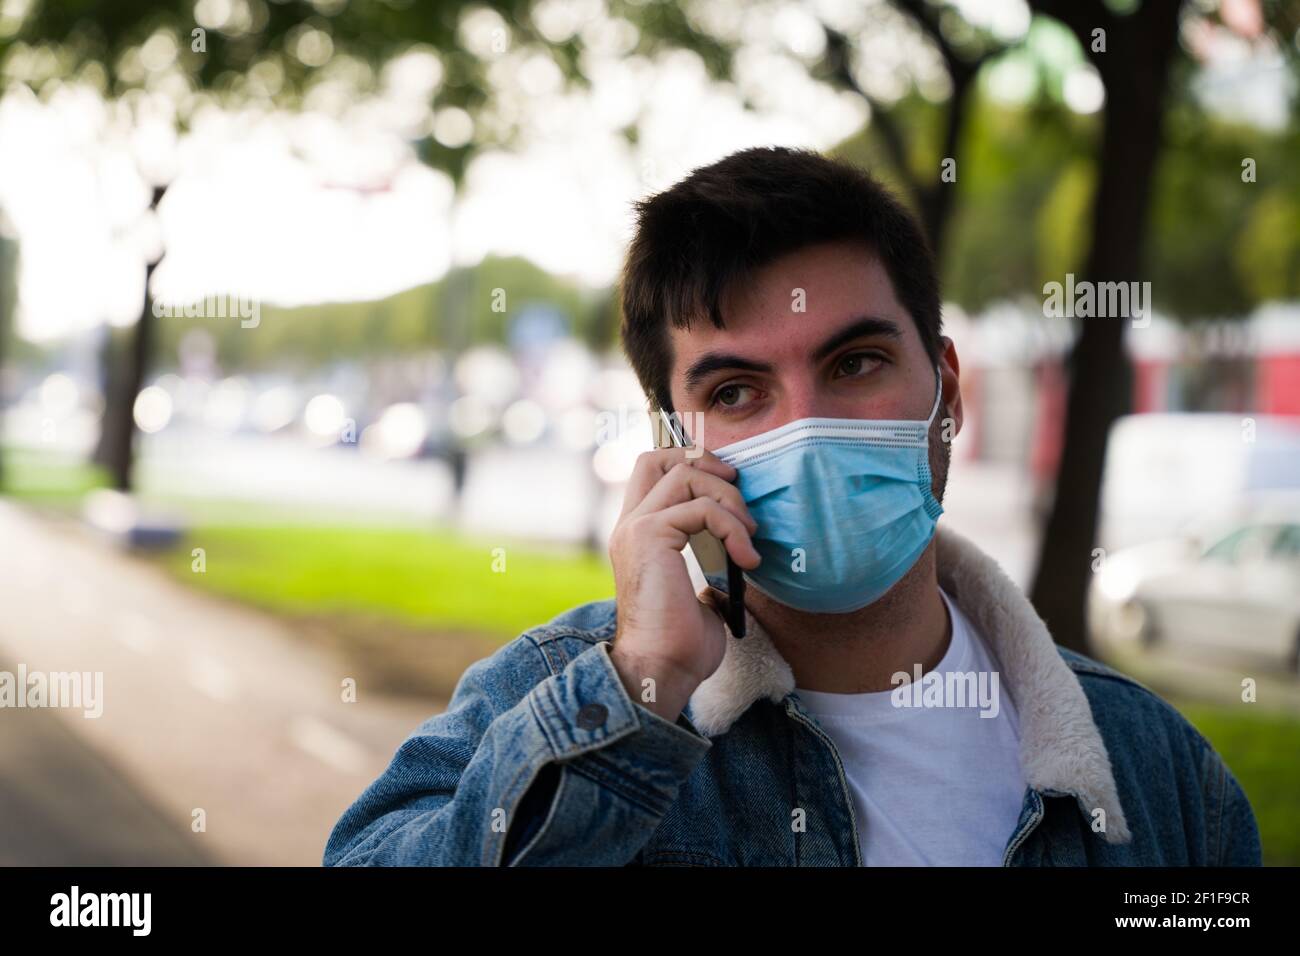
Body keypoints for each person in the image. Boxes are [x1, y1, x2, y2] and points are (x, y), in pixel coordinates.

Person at [323, 146, 1261, 866]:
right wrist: (642, 681)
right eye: (735, 392)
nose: (807, 430)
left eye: (854, 364)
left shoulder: (1159, 772)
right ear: (676, 448)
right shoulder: (553, 696)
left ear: (946, 389)